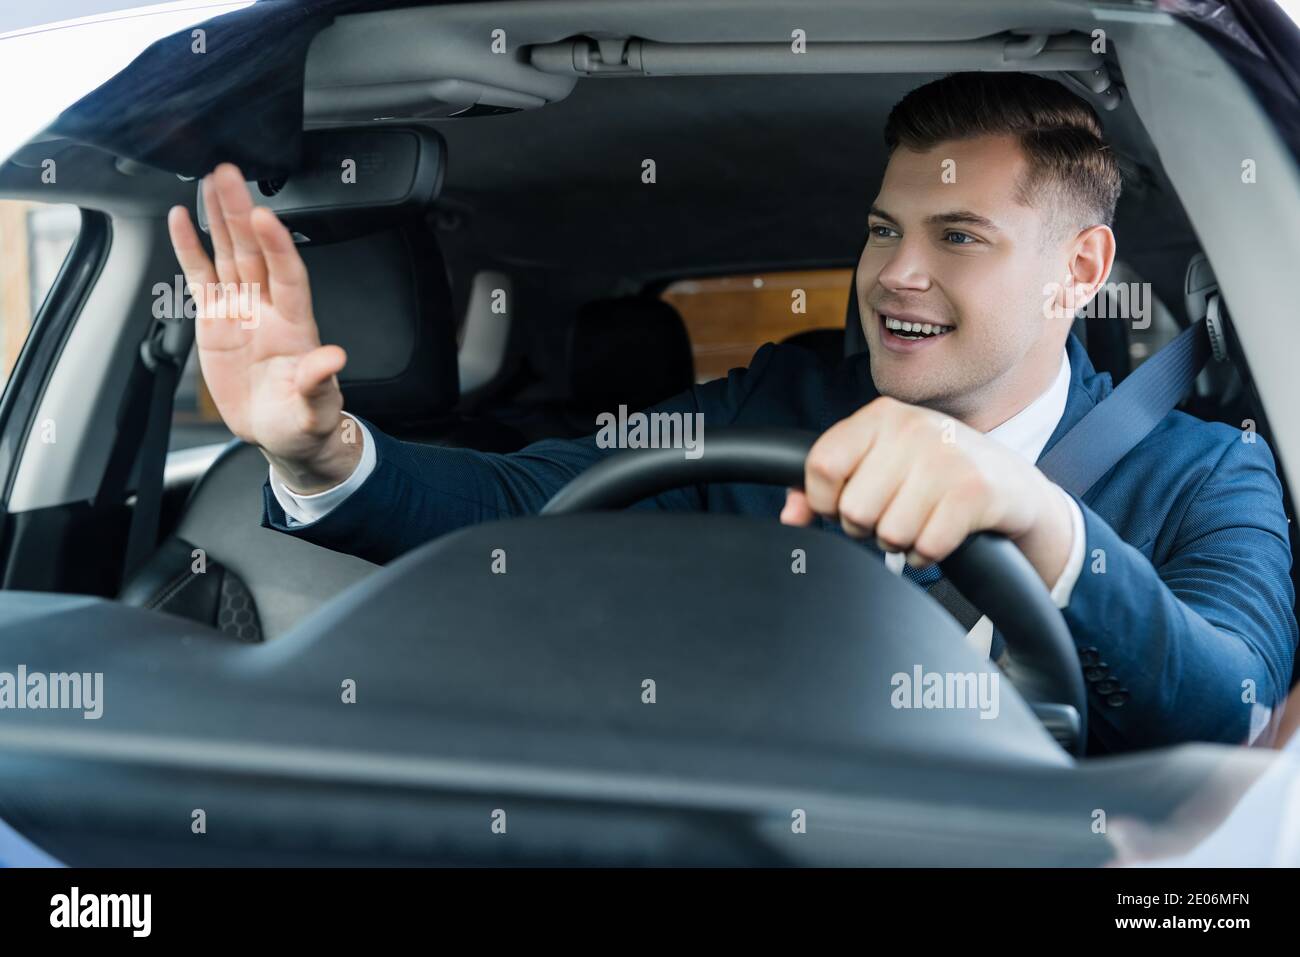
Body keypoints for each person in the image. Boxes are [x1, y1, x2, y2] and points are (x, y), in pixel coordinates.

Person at [167, 72, 1296, 753]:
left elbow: (1233, 707)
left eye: (957, 237)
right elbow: (531, 498)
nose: (895, 274)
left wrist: (1042, 525)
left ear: (1078, 270)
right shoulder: (782, 399)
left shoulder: (1207, 473)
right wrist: (324, 451)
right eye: (882, 229)